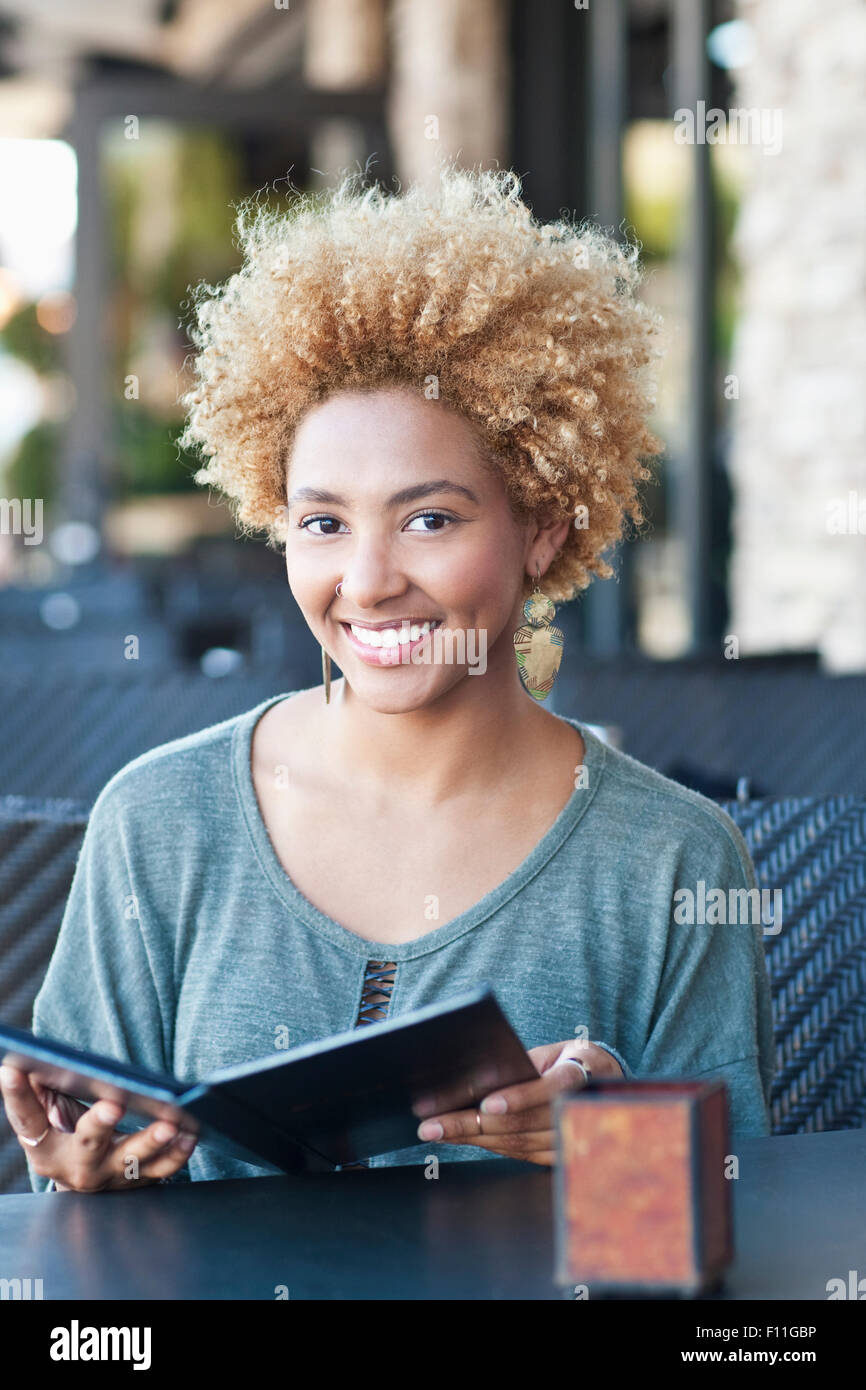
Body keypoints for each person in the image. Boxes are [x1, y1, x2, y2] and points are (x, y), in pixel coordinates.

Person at [1, 164, 774, 1193]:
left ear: (544, 526)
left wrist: (622, 1134)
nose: (365, 582)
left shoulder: (672, 859)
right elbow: (82, 1208)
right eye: (322, 522)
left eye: (429, 519)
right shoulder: (159, 819)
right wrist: (82, 1182)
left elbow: (742, 1216)